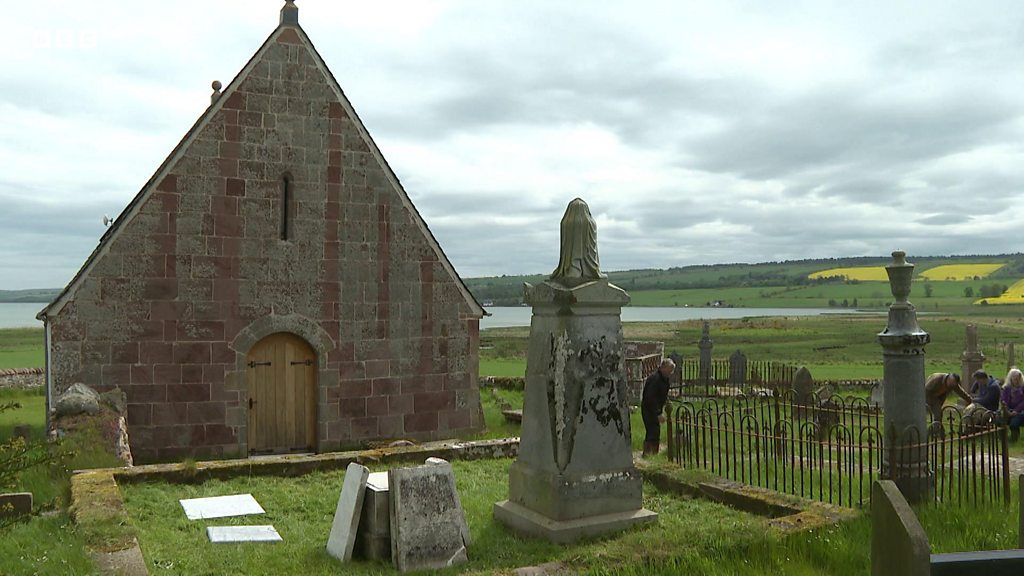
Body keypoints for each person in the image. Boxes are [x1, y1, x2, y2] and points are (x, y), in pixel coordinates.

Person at [641, 358, 675, 457]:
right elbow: (650, 398)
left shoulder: (664, 379)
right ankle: (648, 454)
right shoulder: (655, 379)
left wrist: (667, 401)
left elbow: (661, 393)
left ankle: (653, 454)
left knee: (655, 431)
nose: (671, 373)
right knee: (652, 431)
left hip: (654, 409)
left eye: (672, 371)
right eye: (669, 370)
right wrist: (658, 413)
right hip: (649, 410)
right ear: (663, 368)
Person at [1002, 368, 1024, 441]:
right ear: (1011, 379)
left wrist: (1016, 410)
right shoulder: (1006, 388)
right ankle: (1002, 439)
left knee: (1014, 423)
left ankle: (1014, 439)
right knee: (999, 420)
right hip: (1008, 410)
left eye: (1018, 379)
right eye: (1015, 379)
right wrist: (1007, 410)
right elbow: (1003, 400)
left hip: (1020, 411)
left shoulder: (1022, 388)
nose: (1017, 381)